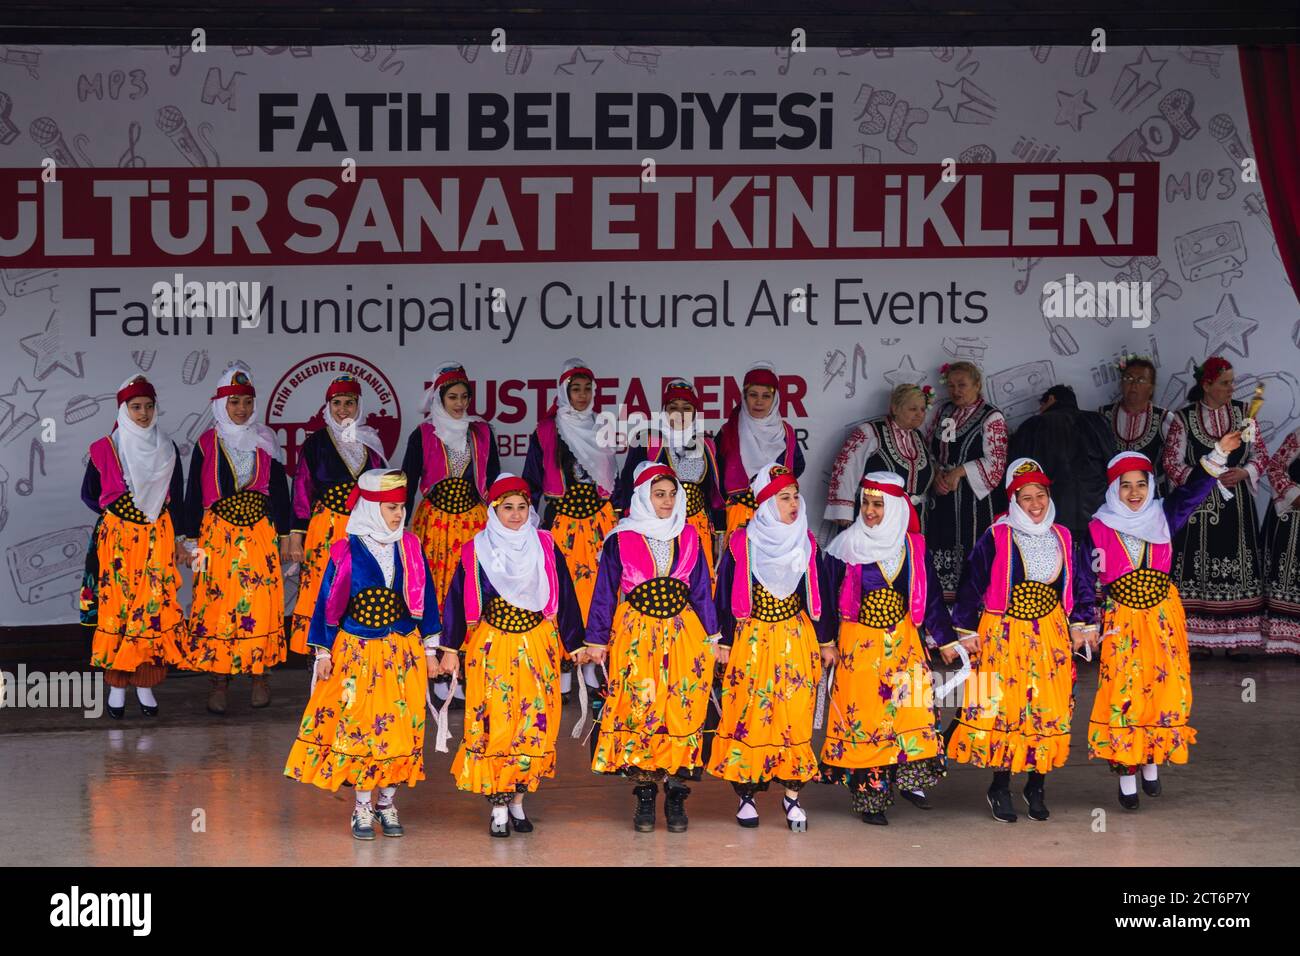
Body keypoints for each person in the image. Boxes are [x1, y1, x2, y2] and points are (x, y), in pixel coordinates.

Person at [284, 469, 440, 840]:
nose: (398, 514)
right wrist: (323, 652)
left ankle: (387, 804)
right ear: (371, 508)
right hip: (357, 651)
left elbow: (428, 599)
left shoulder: (411, 547)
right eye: (390, 508)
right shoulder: (346, 550)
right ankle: (363, 808)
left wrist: (431, 648)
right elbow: (327, 602)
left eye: (401, 507)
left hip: (402, 651)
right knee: (361, 730)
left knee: (400, 728)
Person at [1087, 437, 1240, 809]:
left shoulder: (1163, 516)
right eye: (1126, 485)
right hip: (1122, 620)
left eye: (1141, 484)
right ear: (1113, 489)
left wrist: (1219, 453)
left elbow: (1193, 491)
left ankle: (1153, 763)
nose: (1134, 492)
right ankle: (1126, 773)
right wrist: (1086, 622)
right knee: (1124, 696)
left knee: (1163, 691)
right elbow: (1082, 579)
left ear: (1151, 486)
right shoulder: (1098, 527)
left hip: (1162, 618)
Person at [946, 457, 1098, 823]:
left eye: (1040, 496)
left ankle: (1036, 783)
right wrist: (964, 631)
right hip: (1005, 634)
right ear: (1013, 501)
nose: (1034, 504)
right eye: (1025, 497)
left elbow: (1080, 585)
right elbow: (971, 584)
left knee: (1047, 709)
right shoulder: (997, 535)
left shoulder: (1062, 535)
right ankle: (1000, 785)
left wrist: (1083, 623)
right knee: (1005, 711)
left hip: (1050, 635)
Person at [438, 474, 585, 837]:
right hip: (493, 646)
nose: (516, 515)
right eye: (508, 508)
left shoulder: (545, 545)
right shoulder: (476, 549)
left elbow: (564, 594)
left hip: (537, 644)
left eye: (522, 507)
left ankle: (518, 801)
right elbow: (457, 600)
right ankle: (499, 806)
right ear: (494, 510)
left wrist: (576, 642)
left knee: (532, 724)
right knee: (496, 723)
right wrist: (450, 648)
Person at [584, 462, 721, 833]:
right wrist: (596, 639)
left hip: (683, 634)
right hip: (636, 635)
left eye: (673, 494)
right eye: (659, 494)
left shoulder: (690, 535)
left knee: (682, 707)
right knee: (641, 709)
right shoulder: (620, 538)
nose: (667, 501)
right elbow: (604, 592)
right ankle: (645, 794)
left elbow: (702, 591)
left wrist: (713, 637)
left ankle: (676, 795)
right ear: (643, 497)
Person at [819, 472, 957, 825]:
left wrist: (945, 640)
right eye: (865, 502)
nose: (869, 511)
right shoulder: (843, 548)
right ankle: (871, 797)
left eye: (878, 504)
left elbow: (932, 598)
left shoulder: (913, 546)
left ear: (894, 507)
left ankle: (910, 781)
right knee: (866, 719)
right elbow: (826, 602)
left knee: (912, 711)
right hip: (858, 645)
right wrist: (827, 643)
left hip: (904, 643)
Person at [709, 463, 833, 830]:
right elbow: (723, 595)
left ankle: (793, 795)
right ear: (765, 504)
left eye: (796, 496)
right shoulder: (742, 543)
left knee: (793, 715)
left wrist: (826, 641)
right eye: (783, 497)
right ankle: (746, 795)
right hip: (752, 640)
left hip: (795, 639)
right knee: (749, 714)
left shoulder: (806, 541)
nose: (793, 503)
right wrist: (724, 641)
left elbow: (820, 592)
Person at [179, 362, 291, 714]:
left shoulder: (265, 439)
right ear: (220, 405)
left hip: (259, 533)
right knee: (216, 606)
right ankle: (219, 681)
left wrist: (288, 535)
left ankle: (260, 676)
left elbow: (279, 491)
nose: (241, 409)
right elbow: (193, 494)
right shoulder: (207, 442)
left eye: (246, 401)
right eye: (234, 402)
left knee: (261, 605)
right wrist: (191, 542)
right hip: (216, 537)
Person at [79, 375, 187, 718]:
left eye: (148, 406)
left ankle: (145, 684)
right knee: (119, 609)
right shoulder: (105, 448)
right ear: (123, 410)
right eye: (135, 407)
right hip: (120, 543)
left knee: (150, 610)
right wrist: (121, 518)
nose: (143, 413)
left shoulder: (167, 448)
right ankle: (116, 688)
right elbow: (89, 493)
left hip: (157, 538)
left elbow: (178, 498)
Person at [523, 358, 619, 702]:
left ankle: (595, 666)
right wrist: (528, 523)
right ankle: (563, 670)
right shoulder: (547, 431)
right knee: (563, 592)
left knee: (599, 591)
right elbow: (532, 479)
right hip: (562, 521)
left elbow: (614, 478)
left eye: (587, 388)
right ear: (564, 391)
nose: (582, 395)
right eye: (575, 389)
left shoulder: (603, 427)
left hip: (600, 520)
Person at [1163, 357, 1270, 660]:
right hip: (1197, 507)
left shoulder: (1243, 415)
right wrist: (1203, 479)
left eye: (1232, 382)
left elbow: (1260, 454)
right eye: (1224, 383)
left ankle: (1239, 640)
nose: (1231, 388)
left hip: (1237, 507)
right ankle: (1197, 639)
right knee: (1197, 568)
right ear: (1206, 385)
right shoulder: (1183, 419)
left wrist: (1245, 472)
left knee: (1236, 567)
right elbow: (1171, 463)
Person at [287, 374, 388, 654]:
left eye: (349, 403)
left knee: (359, 587)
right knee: (323, 587)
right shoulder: (316, 443)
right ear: (327, 406)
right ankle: (318, 656)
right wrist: (296, 536)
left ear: (359, 405)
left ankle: (355, 653)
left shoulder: (371, 442)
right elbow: (302, 491)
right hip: (326, 529)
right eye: (337, 403)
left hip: (364, 529)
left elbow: (381, 488)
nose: (343, 409)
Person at [400, 361, 500, 605]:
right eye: (453, 397)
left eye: (464, 397)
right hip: (435, 523)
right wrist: (398, 524)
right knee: (434, 582)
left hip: (473, 521)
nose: (460, 404)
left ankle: (468, 639)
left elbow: (495, 477)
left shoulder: (482, 432)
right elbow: (408, 482)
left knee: (473, 579)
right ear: (440, 398)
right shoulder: (423, 434)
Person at [616, 378, 725, 582]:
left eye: (686, 408)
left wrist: (719, 534)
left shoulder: (706, 444)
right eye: (673, 407)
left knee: (699, 585)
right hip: (657, 526)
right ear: (664, 410)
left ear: (695, 412)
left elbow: (714, 492)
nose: (680, 414)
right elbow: (629, 486)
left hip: (697, 526)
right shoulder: (648, 440)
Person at [926, 361, 1008, 602]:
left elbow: (997, 462)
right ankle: (943, 608)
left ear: (977, 385)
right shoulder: (944, 413)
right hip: (944, 498)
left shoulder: (991, 416)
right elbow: (930, 447)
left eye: (962, 385)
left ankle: (972, 610)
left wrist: (960, 471)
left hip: (975, 501)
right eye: (951, 385)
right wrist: (935, 473)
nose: (956, 391)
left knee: (974, 551)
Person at [1008, 384, 1116, 542]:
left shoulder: (1032, 426)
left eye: (1042, 404)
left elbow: (1017, 474)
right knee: (1094, 564)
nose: (1040, 409)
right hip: (1098, 513)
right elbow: (1113, 465)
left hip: (1051, 518)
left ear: (1051, 399)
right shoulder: (1098, 421)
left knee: (1061, 564)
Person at [825, 383, 935, 530]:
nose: (919, 414)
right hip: (874, 520)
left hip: (912, 522)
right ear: (895, 408)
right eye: (913, 409)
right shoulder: (870, 432)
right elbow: (846, 467)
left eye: (922, 409)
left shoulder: (918, 438)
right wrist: (843, 509)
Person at [714, 361, 804, 538]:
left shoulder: (786, 433)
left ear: (775, 398)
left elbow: (797, 466)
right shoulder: (728, 431)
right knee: (740, 563)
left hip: (777, 515)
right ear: (744, 396)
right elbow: (716, 477)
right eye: (753, 395)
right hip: (738, 516)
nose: (759, 401)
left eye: (766, 396)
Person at [1099, 355, 1174, 485]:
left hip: (1151, 497)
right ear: (1121, 384)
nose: (1133, 384)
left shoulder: (1165, 419)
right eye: (1128, 378)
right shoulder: (1102, 415)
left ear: (1151, 388)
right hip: (1110, 494)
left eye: (1141, 380)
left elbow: (1175, 463)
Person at [1262, 425, 1300, 658]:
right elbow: (1275, 467)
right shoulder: (1298, 435)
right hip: (1294, 517)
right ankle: (1289, 640)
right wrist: (1294, 495)